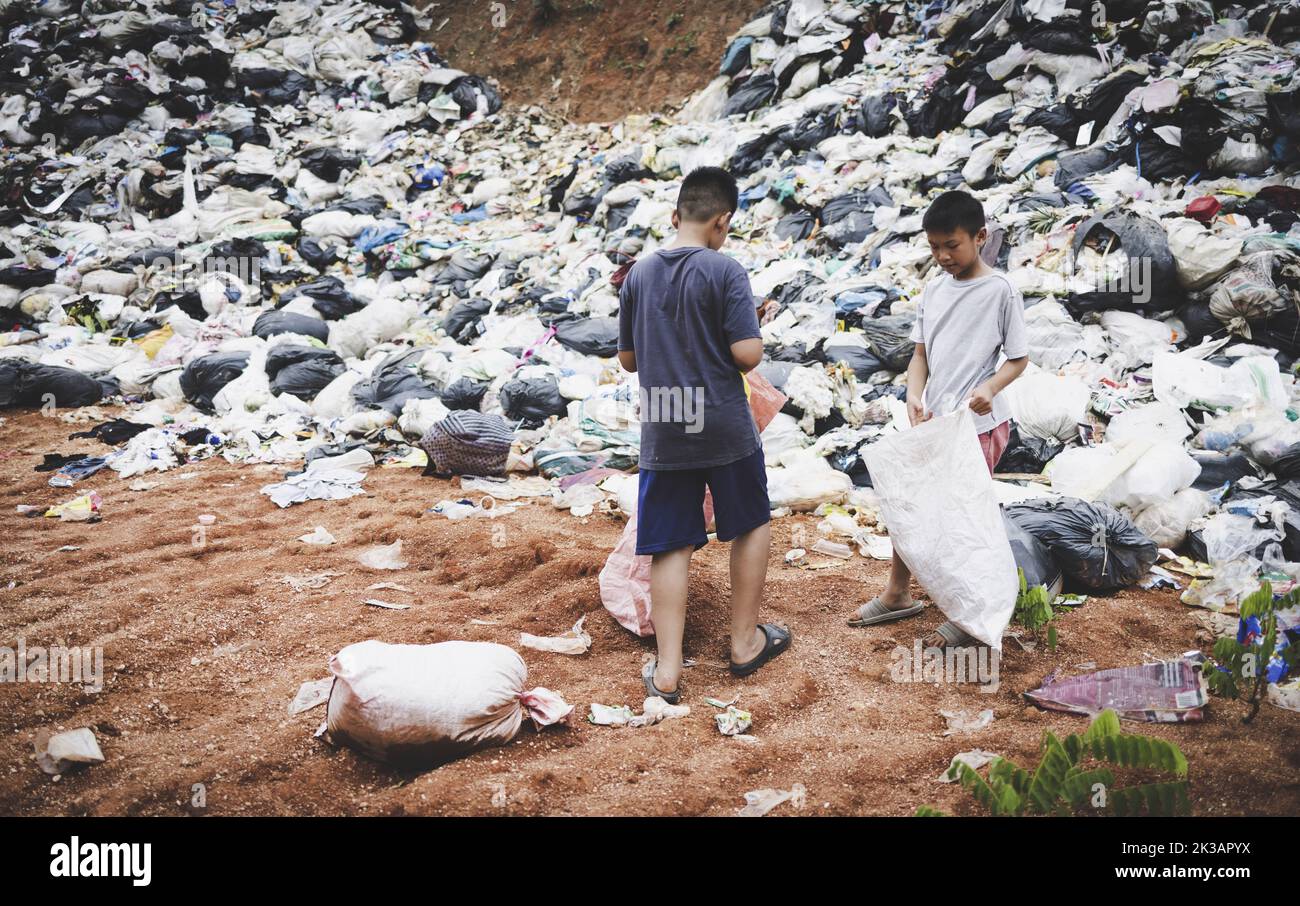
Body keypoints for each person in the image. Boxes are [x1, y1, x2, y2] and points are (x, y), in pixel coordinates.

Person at [616, 166, 791, 703]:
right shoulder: (725, 270)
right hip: (721, 418)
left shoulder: (639, 274)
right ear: (723, 221)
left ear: (675, 216)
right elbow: (747, 354)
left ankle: (667, 669)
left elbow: (627, 359)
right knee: (751, 521)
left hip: (666, 423)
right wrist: (749, 324)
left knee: (670, 541)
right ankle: (743, 643)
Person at [848, 189, 1028, 648]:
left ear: (980, 237)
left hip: (979, 424)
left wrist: (989, 389)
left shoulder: (1000, 291)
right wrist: (913, 393)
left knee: (960, 513)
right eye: (934, 247)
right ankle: (898, 592)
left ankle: (972, 614)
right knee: (912, 503)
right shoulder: (933, 289)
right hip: (935, 419)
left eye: (953, 245)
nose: (944, 256)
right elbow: (920, 355)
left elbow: (1018, 359)